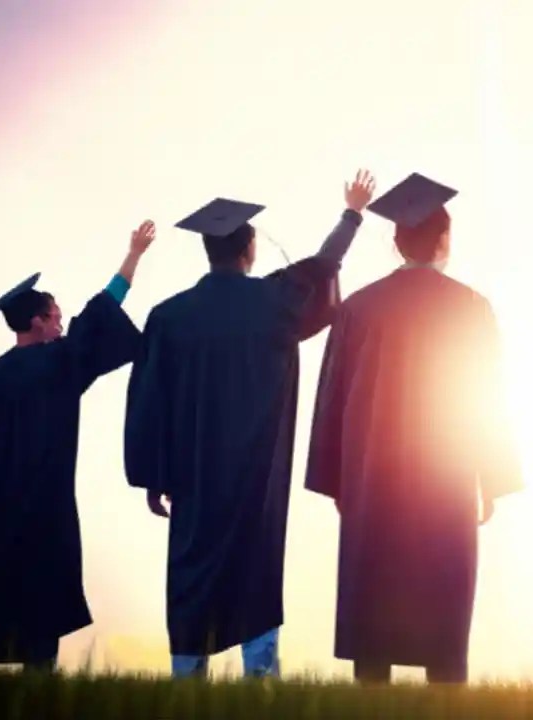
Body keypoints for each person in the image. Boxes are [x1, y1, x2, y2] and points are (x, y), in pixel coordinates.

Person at [124, 171, 375, 679]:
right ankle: (261, 686)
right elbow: (324, 267)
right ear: (249, 248)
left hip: (192, 481)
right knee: (256, 571)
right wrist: (351, 213)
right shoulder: (272, 303)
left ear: (209, 250)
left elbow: (148, 401)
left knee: (193, 574)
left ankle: (186, 682)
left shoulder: (168, 317)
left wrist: (153, 477)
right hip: (256, 478)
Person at [306, 172, 521, 685]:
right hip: (445, 482)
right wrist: (489, 479)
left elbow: (332, 396)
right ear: (444, 241)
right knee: (441, 607)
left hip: (372, 478)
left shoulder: (358, 306)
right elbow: (487, 398)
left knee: (373, 605)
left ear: (397, 241)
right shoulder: (472, 307)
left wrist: (338, 478)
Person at [0, 222, 156, 672]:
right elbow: (103, 311)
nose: (62, 323)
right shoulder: (58, 363)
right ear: (37, 321)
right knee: (40, 613)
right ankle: (40, 695)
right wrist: (133, 254)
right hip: (43, 510)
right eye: (56, 316)